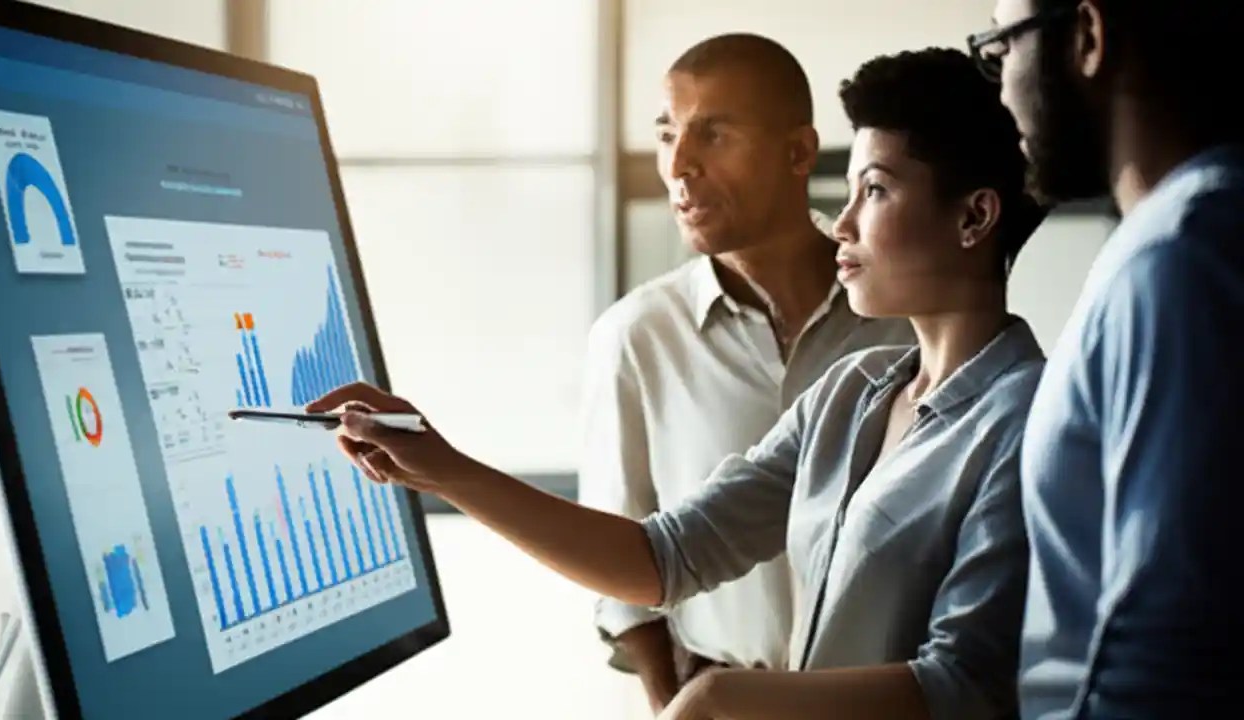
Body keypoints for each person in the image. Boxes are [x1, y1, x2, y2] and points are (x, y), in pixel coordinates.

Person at [311, 48, 1047, 720]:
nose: (844, 223)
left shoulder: (1029, 420)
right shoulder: (851, 395)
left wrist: (725, 696)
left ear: (975, 216)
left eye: (876, 191)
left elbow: (966, 685)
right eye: (849, 190)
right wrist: (443, 468)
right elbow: (664, 557)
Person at [577, 32, 914, 712]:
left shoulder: (905, 318)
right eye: (668, 133)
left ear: (798, 152)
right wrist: (675, 705)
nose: (678, 165)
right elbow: (623, 581)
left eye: (714, 135)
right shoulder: (636, 337)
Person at [973, 1, 1244, 716]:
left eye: (1002, 50)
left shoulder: (1177, 258)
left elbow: (1165, 650)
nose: (1000, 90)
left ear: (1088, 37)